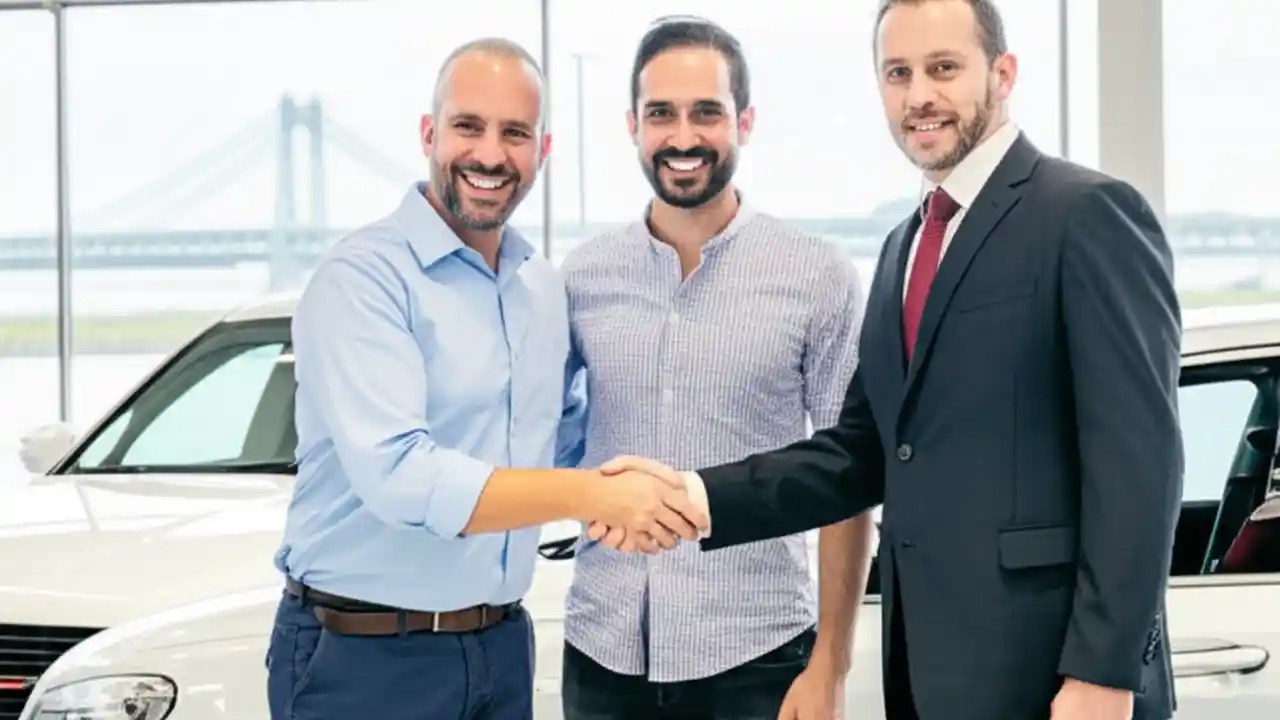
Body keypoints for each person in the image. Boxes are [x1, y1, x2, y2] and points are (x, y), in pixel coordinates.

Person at [597, 1, 1183, 719]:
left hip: (1055, 681)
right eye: (898, 74)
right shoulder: (902, 246)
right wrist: (693, 496)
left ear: (1003, 74)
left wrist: (1103, 672)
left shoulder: (1086, 213)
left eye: (944, 68)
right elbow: (861, 454)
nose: (919, 96)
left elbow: (1139, 461)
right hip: (931, 673)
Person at [264, 38, 707, 720]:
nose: (491, 155)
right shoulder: (363, 279)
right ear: (429, 133)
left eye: (516, 134)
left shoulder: (540, 288)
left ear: (543, 150)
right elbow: (401, 475)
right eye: (468, 126)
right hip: (363, 658)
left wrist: (682, 492)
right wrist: (599, 494)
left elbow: (564, 445)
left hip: (500, 647)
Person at [555, 16, 876, 720]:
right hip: (602, 653)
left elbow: (849, 478)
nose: (683, 137)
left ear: (744, 122)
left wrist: (831, 665)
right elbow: (543, 435)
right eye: (660, 114)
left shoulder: (816, 275)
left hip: (759, 660)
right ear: (632, 126)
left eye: (707, 112)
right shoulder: (581, 277)